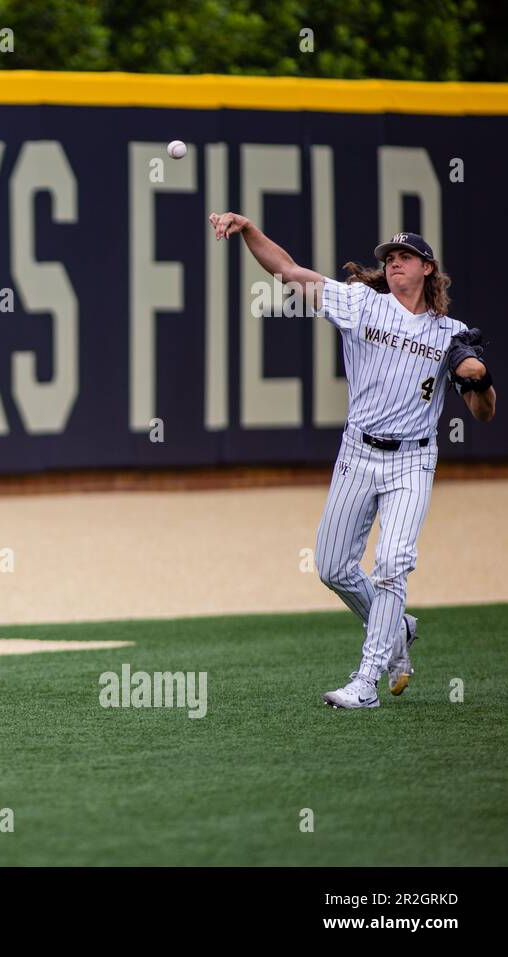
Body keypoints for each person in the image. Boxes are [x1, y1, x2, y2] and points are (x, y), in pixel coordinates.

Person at [208, 212, 496, 708]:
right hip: (357, 453)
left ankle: (366, 681)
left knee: (391, 564)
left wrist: (480, 379)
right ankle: (396, 628)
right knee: (333, 565)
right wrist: (250, 230)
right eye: (390, 258)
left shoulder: (451, 333)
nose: (395, 265)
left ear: (428, 269)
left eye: (405, 258)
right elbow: (289, 271)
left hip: (412, 461)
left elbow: (483, 414)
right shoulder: (361, 303)